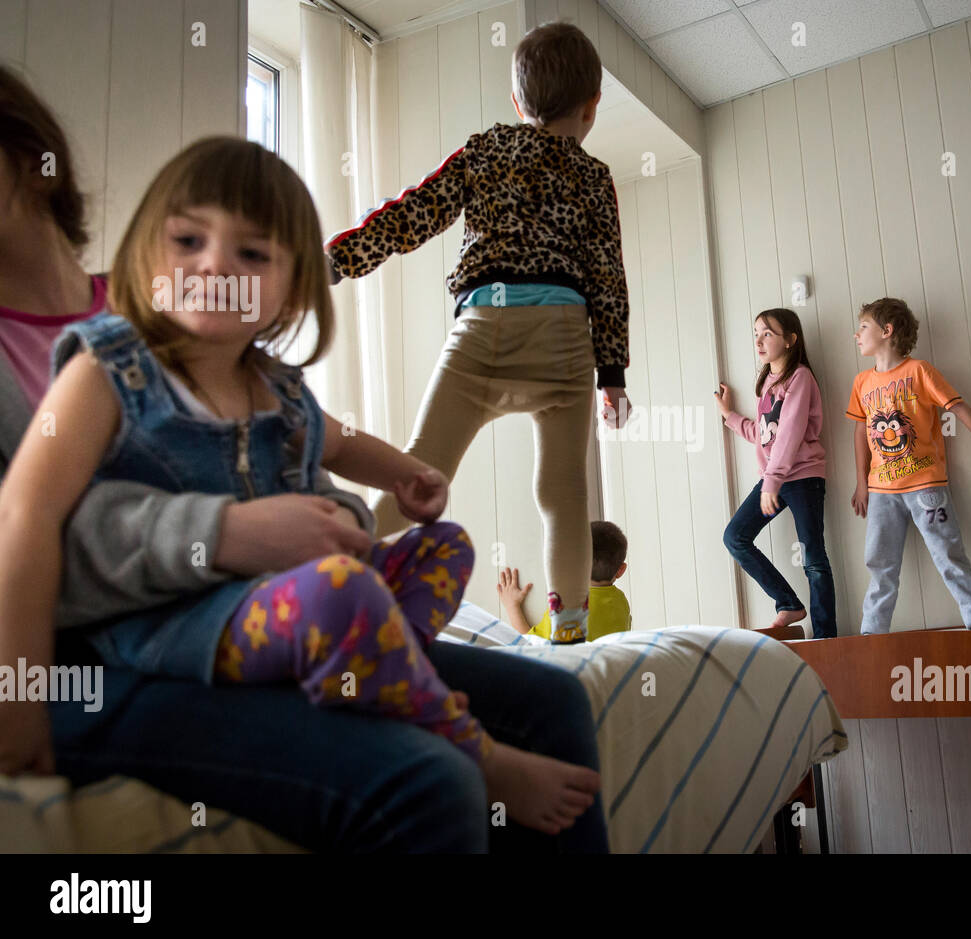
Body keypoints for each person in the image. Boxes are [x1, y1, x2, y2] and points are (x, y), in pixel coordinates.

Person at [0, 98, 604, 849]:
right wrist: (20, 685)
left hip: (273, 612)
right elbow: (25, 513)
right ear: (151, 253)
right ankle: (469, 747)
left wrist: (387, 489)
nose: (215, 264)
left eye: (252, 255)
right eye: (189, 239)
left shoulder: (270, 381)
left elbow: (335, 445)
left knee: (466, 574)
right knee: (429, 768)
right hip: (167, 630)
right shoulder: (109, 366)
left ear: (288, 290)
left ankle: (385, 649)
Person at [326, 22, 632, 645]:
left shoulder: (485, 149)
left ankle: (340, 546)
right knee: (564, 491)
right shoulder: (594, 176)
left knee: (419, 470)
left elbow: (412, 213)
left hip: (482, 329)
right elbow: (608, 279)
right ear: (592, 105)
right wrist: (613, 373)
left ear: (518, 104)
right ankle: (569, 629)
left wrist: (336, 258)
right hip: (563, 339)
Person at [847, 297, 971, 634]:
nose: (856, 335)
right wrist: (861, 482)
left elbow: (958, 408)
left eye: (863, 327)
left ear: (887, 331)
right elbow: (860, 432)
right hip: (881, 492)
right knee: (879, 565)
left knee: (949, 556)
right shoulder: (862, 383)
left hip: (926, 488)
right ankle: (872, 635)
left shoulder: (919, 371)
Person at [715, 308, 837, 640]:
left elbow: (790, 434)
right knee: (735, 537)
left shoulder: (800, 378)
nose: (759, 339)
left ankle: (826, 638)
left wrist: (772, 481)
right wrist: (729, 416)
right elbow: (765, 433)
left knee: (813, 557)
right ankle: (788, 603)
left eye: (768, 333)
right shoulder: (768, 383)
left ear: (790, 340)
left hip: (802, 477)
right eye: (756, 332)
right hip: (775, 477)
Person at [497, 521, 631, 642]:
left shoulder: (566, 606)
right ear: (621, 570)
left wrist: (512, 605)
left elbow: (530, 643)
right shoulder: (621, 602)